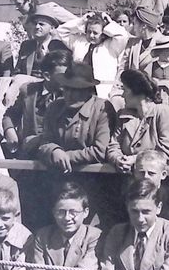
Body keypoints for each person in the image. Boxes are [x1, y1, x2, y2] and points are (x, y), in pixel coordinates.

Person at [36, 62, 118, 226]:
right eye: (66, 88)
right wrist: (54, 151)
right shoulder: (54, 107)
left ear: (88, 91)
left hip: (94, 183)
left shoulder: (102, 108)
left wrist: (67, 156)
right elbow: (44, 141)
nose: (69, 95)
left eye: (76, 90)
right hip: (60, 180)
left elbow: (100, 150)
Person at [2, 49, 72, 156]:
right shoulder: (28, 90)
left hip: (58, 154)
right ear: (47, 76)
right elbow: (10, 115)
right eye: (63, 76)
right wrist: (9, 130)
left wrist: (38, 140)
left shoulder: (72, 96)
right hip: (29, 154)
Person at [108, 69, 169, 172]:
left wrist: (135, 159)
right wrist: (118, 159)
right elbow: (113, 146)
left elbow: (168, 152)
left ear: (138, 91)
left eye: (125, 90)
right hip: (126, 178)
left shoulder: (164, 113)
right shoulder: (123, 115)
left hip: (157, 180)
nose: (122, 95)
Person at [55, 11, 130, 100]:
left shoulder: (112, 46)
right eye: (89, 31)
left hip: (102, 92)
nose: (91, 35)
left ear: (103, 34)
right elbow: (61, 31)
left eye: (95, 33)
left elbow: (123, 36)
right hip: (79, 90)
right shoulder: (79, 42)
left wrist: (109, 24)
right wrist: (81, 21)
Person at [128, 149, 169, 240]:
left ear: (163, 175)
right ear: (135, 173)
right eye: (141, 172)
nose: (145, 177)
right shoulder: (127, 197)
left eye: (151, 173)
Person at [15, 3, 72, 78]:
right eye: (35, 23)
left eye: (42, 24)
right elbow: (17, 71)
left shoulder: (60, 47)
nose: (37, 27)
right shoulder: (26, 46)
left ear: (52, 28)